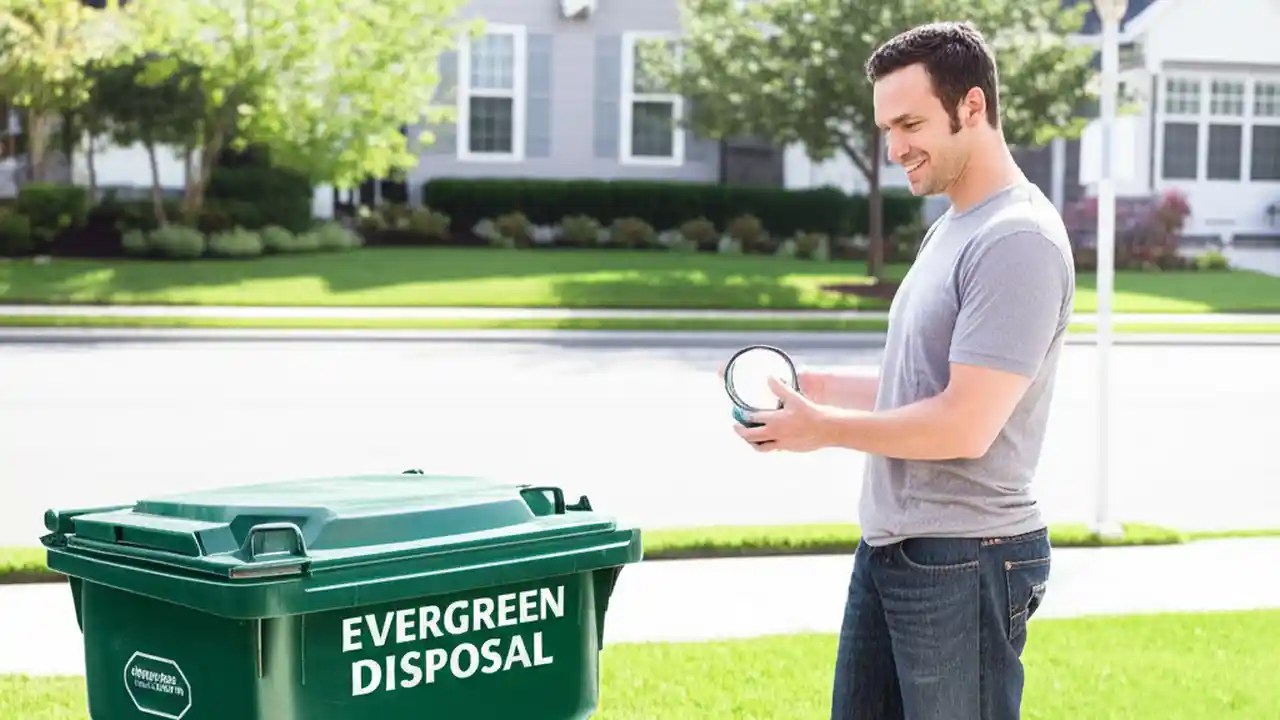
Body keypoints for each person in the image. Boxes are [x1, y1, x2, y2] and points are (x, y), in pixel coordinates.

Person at [731, 21, 1076, 720]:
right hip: (897, 548)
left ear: (972, 107)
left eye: (911, 123)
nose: (895, 149)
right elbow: (924, 388)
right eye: (887, 127)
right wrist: (813, 394)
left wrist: (825, 431)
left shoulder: (1017, 241)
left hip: (967, 557)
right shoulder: (954, 225)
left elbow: (966, 423)